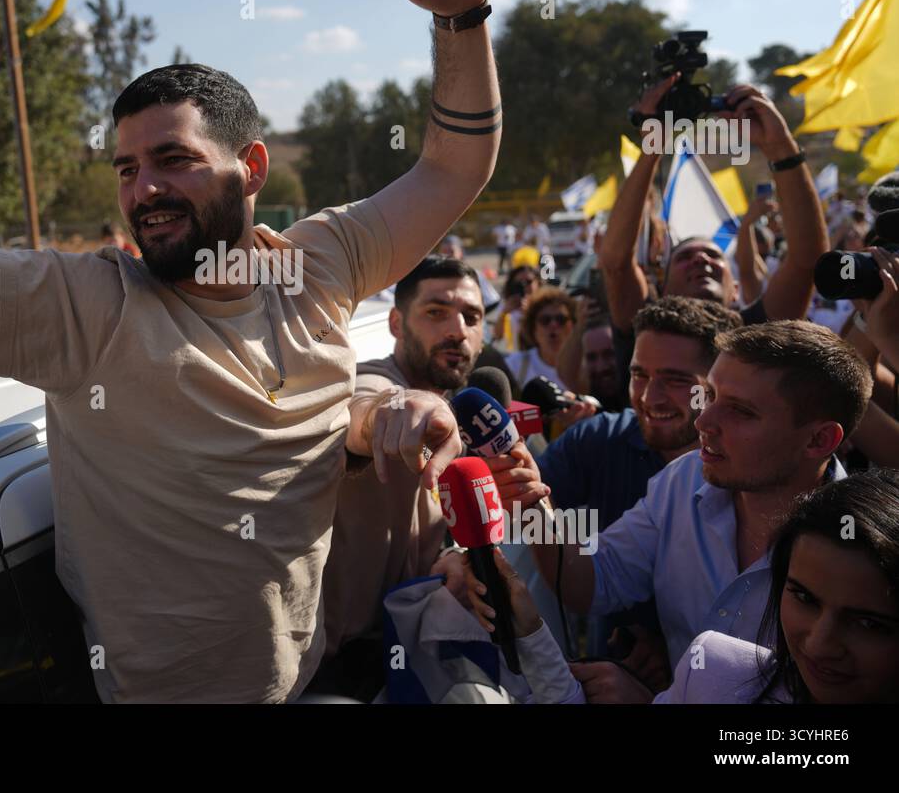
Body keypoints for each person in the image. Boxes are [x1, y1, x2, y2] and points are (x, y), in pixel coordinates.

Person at [0, 0, 502, 702]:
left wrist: (460, 18)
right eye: (128, 169)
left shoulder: (320, 265)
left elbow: (453, 165)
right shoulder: (84, 311)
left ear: (253, 169)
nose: (144, 191)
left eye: (175, 160)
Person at [457, 319, 872, 672]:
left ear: (819, 439)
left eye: (741, 411)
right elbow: (590, 583)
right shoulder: (682, 480)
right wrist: (533, 504)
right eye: (709, 396)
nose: (705, 420)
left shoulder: (864, 552)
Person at [451, 468, 899, 704]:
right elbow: (594, 580)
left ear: (819, 438)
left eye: (868, 623)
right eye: (803, 597)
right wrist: (529, 631)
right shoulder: (715, 675)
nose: (821, 643)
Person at [536, 297, 742, 674]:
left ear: (718, 384)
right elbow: (518, 514)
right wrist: (471, 551)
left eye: (676, 380)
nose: (650, 397)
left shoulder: (755, 472)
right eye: (639, 375)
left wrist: (678, 649)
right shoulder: (597, 440)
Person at [314, 255, 485, 699]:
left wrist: (454, 557)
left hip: (410, 660)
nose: (457, 330)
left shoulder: (470, 419)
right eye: (436, 312)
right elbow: (366, 405)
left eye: (472, 316)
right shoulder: (369, 383)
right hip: (326, 671)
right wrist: (390, 411)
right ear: (395, 323)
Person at [599, 76, 829, 400]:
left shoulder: (758, 331)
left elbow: (807, 262)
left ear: (736, 290)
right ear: (661, 288)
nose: (702, 258)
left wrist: (780, 146)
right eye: (684, 256)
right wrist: (653, 147)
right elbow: (616, 263)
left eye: (715, 256)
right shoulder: (644, 326)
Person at [505, 286, 576, 390]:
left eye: (561, 319)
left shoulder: (586, 365)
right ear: (533, 328)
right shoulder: (515, 365)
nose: (553, 325)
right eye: (545, 320)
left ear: (572, 326)